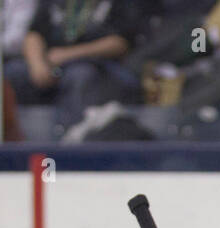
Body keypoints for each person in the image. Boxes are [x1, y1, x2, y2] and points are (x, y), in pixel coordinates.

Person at [5, 0, 143, 131]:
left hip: (99, 64)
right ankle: (14, 145)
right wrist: (37, 65)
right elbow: (34, 33)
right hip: (50, 61)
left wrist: (67, 54)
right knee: (10, 74)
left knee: (80, 75)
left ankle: (74, 144)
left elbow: (121, 43)